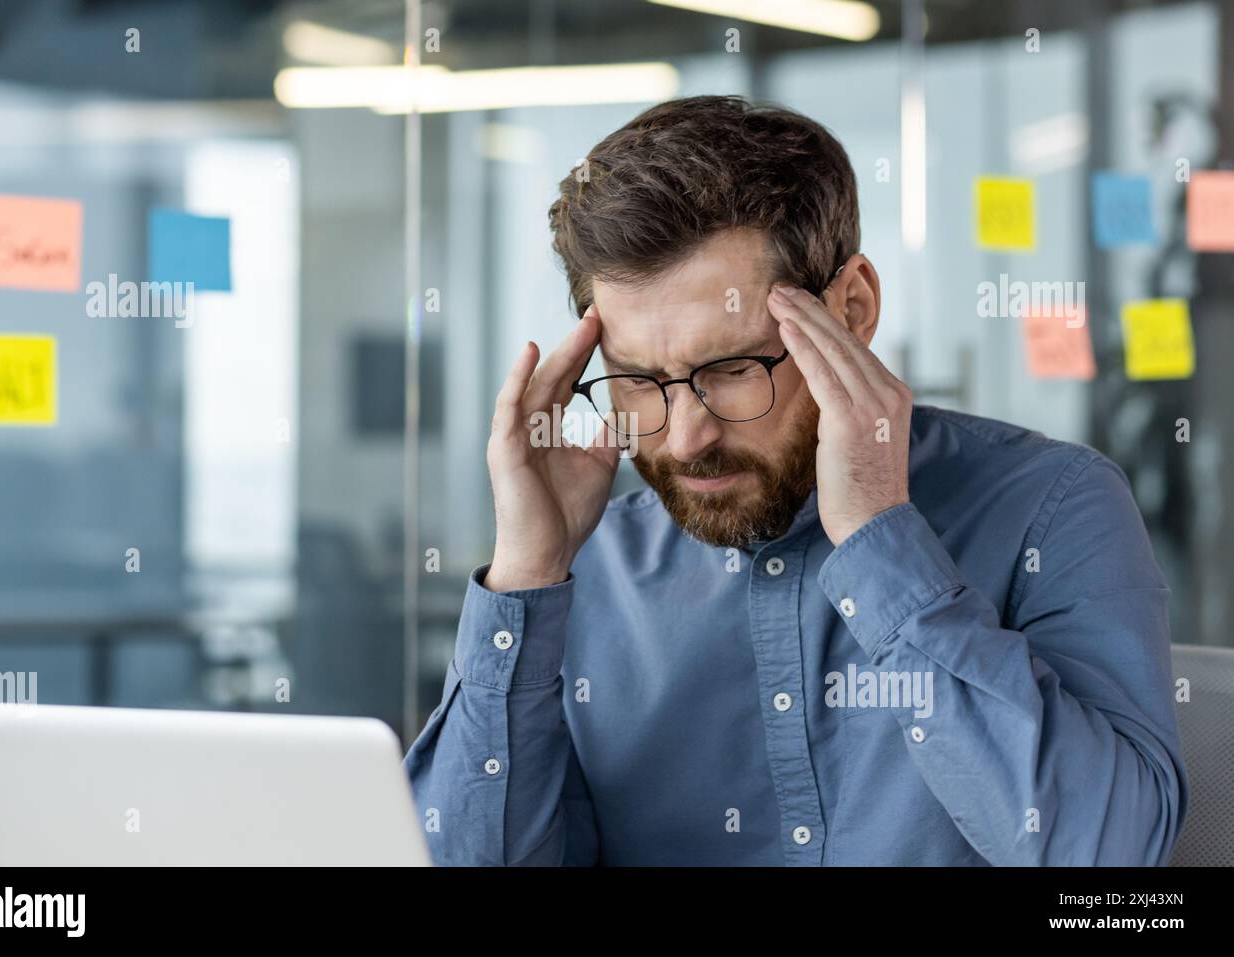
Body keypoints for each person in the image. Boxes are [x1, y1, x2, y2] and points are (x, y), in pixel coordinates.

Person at [403, 94, 1188, 866]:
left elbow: (1111, 866)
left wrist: (883, 542)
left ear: (851, 308)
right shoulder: (587, 568)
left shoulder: (1051, 510)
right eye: (639, 380)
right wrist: (526, 577)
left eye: (734, 367)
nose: (686, 437)